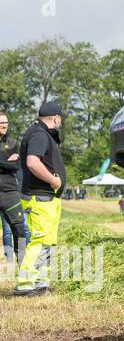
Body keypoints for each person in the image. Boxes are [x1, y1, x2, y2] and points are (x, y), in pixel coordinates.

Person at [15, 101, 67, 296]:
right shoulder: (39, 134)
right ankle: (26, 283)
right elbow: (32, 162)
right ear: (56, 118)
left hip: (47, 198)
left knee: (48, 241)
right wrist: (53, 181)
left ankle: (40, 283)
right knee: (39, 241)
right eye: (60, 119)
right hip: (40, 196)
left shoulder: (41, 133)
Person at [1, 113, 28, 268]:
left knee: (19, 231)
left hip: (10, 193)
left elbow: (15, 166)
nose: (4, 125)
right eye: (1, 123)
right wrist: (5, 161)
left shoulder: (12, 144)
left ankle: (23, 268)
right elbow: (8, 164)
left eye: (6, 122)